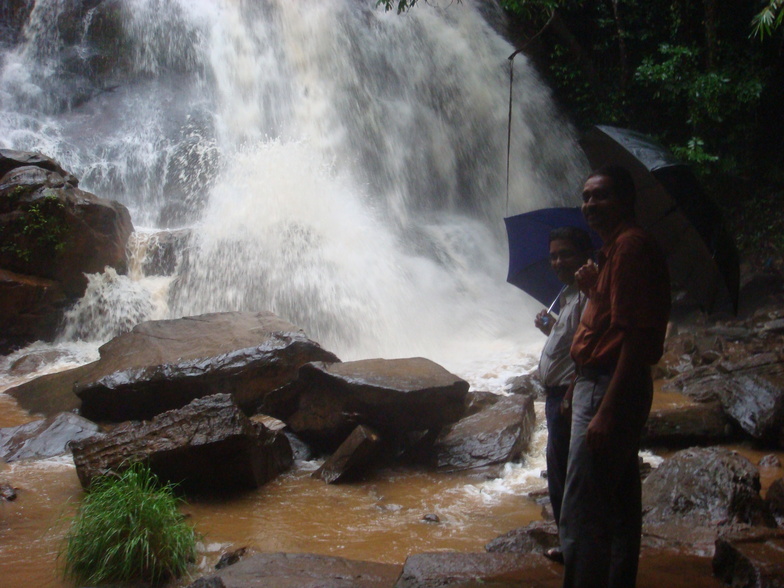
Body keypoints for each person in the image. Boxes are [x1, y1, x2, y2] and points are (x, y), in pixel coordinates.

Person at [559, 165, 671, 588]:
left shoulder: (628, 249)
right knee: (620, 501)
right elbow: (609, 323)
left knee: (582, 509)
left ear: (625, 200)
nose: (590, 205)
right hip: (601, 381)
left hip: (610, 386)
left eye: (601, 196)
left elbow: (634, 336)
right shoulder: (615, 253)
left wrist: (605, 410)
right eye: (586, 197)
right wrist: (576, 381)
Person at [534, 226, 593, 563]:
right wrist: (551, 326)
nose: (557, 261)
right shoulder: (570, 294)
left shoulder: (588, 295)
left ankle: (576, 548)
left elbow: (591, 346)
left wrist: (570, 392)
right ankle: (570, 540)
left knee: (566, 473)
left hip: (568, 396)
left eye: (565, 254)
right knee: (560, 470)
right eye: (553, 254)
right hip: (556, 395)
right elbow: (572, 339)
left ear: (584, 255)